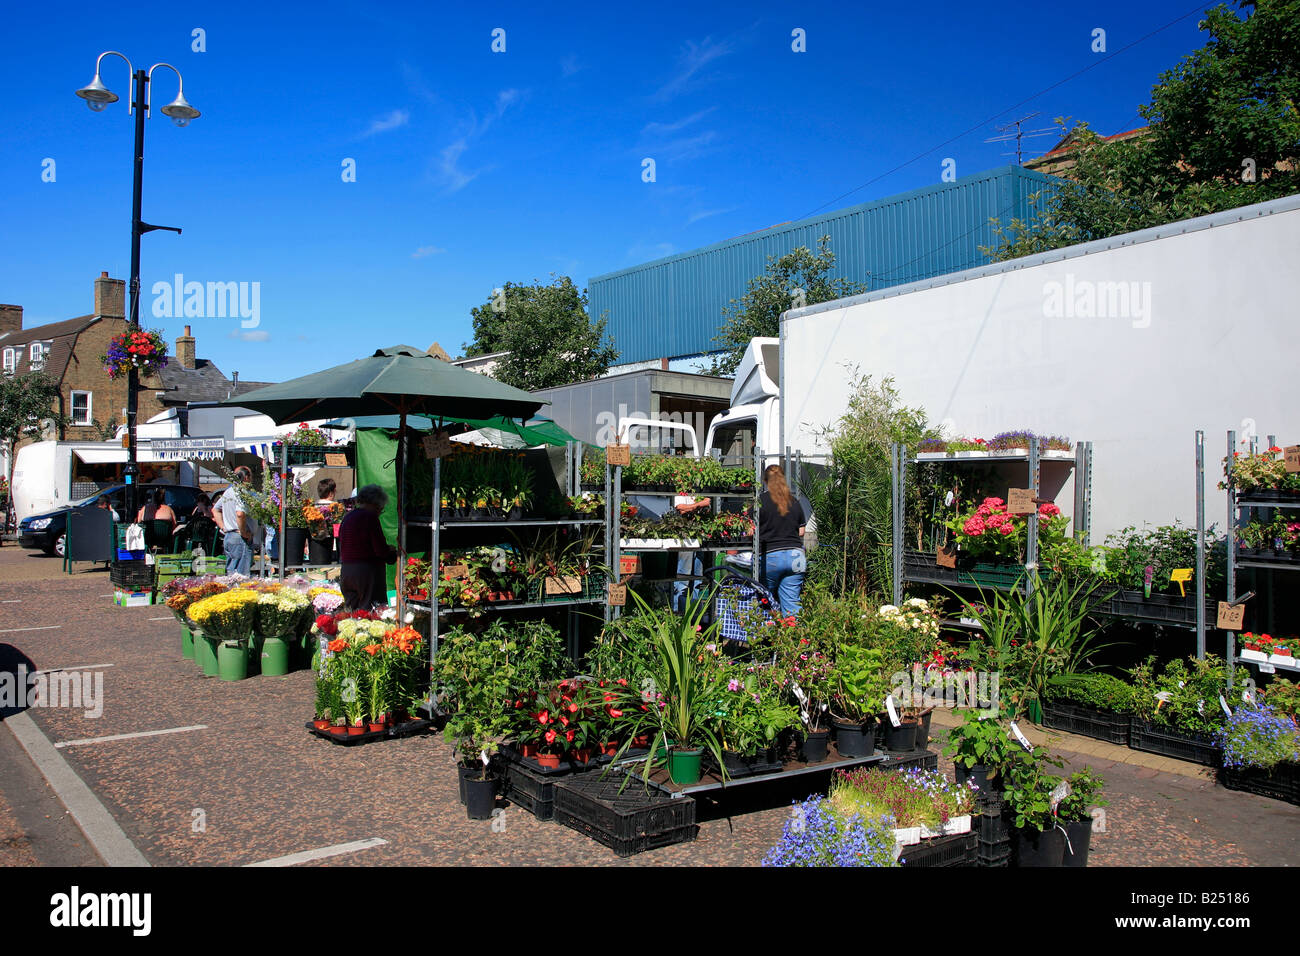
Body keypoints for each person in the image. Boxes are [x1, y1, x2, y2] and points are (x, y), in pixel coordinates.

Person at [759, 465, 808, 617]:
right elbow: (801, 531)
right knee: (792, 604)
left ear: (765, 481)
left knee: (766, 599)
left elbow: (750, 530)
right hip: (796, 556)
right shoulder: (794, 501)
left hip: (771, 555)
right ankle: (794, 638)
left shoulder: (760, 501)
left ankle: (766, 637)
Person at [338, 484, 397, 611]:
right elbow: (380, 550)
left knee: (351, 612)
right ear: (375, 503)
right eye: (380, 508)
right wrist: (390, 550)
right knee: (370, 611)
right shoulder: (370, 517)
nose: (380, 511)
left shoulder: (348, 517)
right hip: (366, 573)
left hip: (347, 570)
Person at [217, 466, 259, 577]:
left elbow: (215, 509)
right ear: (246, 478)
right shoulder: (241, 493)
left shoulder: (228, 492)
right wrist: (244, 532)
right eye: (251, 477)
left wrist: (223, 527)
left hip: (230, 536)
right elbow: (240, 514)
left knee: (232, 572)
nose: (251, 480)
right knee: (241, 576)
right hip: (240, 538)